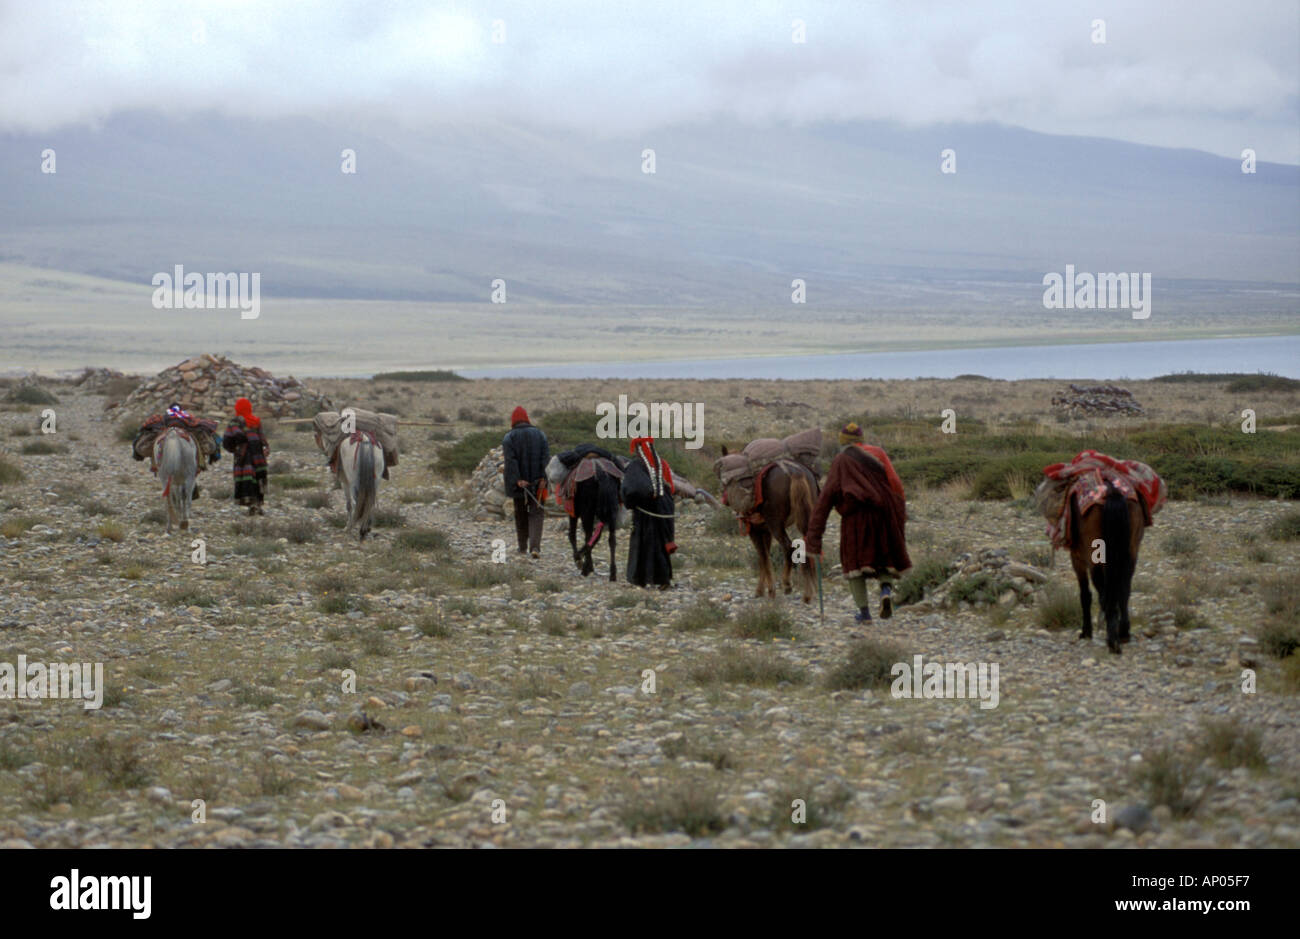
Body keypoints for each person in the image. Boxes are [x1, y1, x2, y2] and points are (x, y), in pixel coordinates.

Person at [804, 422, 911, 622]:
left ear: (843, 441)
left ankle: (864, 613)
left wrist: (814, 536)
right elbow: (896, 484)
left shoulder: (841, 460)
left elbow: (826, 498)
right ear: (861, 439)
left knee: (854, 563)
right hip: (884, 514)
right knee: (885, 558)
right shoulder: (878, 453)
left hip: (856, 518)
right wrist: (899, 514)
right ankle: (885, 590)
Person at [621, 436, 677, 588]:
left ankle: (641, 578)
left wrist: (630, 504)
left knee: (644, 543)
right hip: (664, 508)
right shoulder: (662, 464)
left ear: (639, 450)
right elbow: (670, 487)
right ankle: (663, 578)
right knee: (661, 541)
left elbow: (631, 489)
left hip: (646, 511)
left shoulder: (635, 465)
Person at [502, 406, 549, 557]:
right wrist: (543, 478)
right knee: (537, 513)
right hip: (538, 483)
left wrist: (517, 479)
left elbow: (511, 461)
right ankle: (535, 548)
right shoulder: (540, 435)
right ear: (527, 418)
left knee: (520, 514)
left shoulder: (509, 437)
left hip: (518, 485)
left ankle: (522, 548)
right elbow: (545, 458)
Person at [223, 397, 269, 515]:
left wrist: (234, 449)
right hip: (258, 455)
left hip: (244, 455)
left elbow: (227, 440)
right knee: (258, 477)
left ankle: (251, 504)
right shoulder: (256, 421)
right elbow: (262, 438)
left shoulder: (235, 422)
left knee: (248, 478)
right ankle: (258, 504)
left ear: (237, 408)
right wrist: (265, 448)